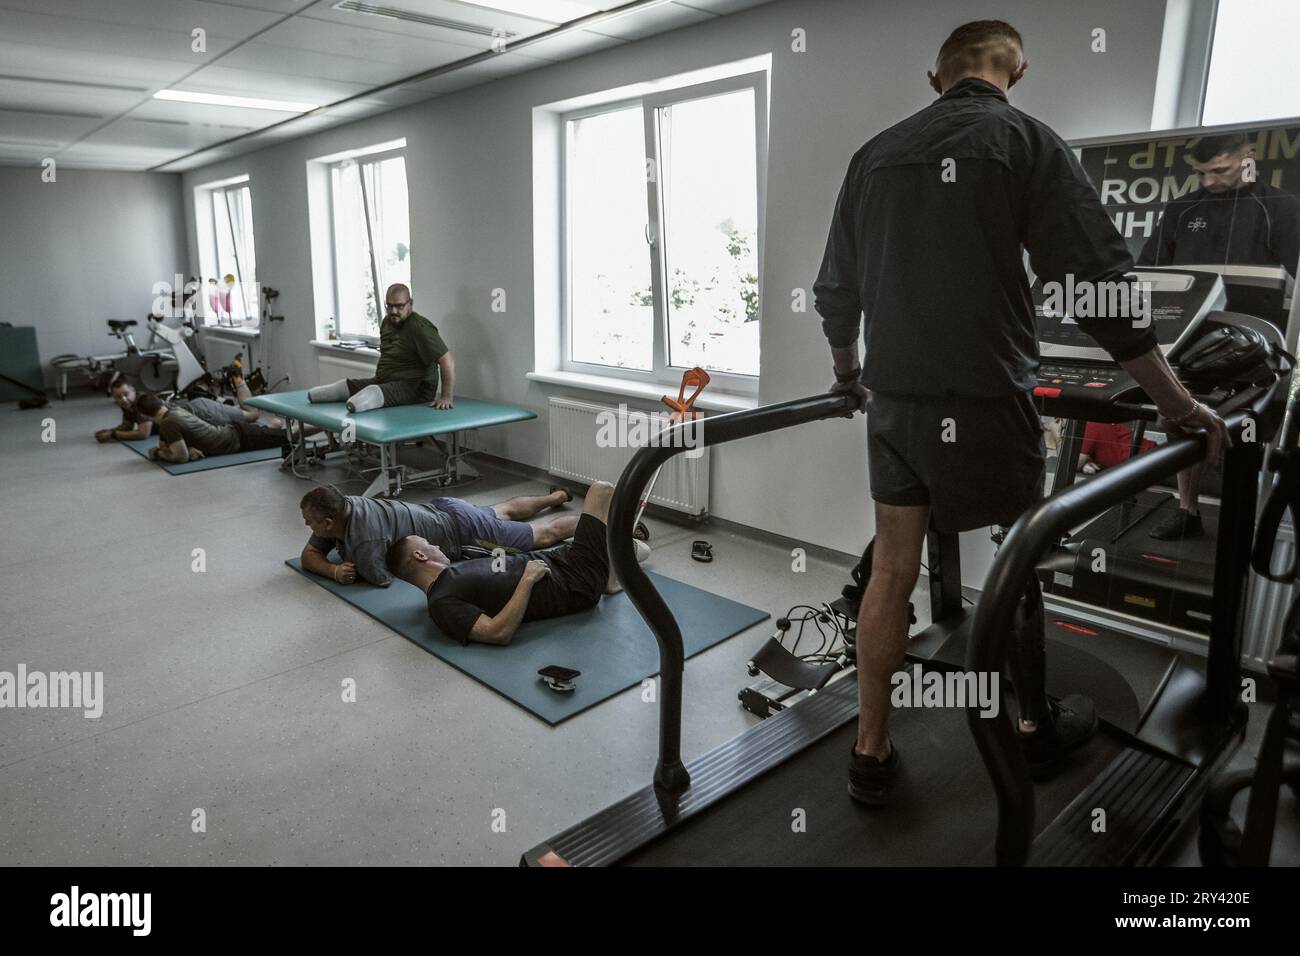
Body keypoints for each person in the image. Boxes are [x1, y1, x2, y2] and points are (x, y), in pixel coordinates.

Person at [812, 19, 1231, 804]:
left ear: (935, 79)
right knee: (1020, 558)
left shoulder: (873, 155)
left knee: (893, 572)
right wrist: (1180, 406)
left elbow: (837, 289)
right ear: (1019, 70)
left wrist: (850, 376)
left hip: (895, 405)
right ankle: (1034, 729)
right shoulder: (1027, 141)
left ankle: (870, 755)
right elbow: (1101, 287)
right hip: (988, 401)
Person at [1138, 133, 1300, 539]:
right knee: (1181, 418)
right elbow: (1150, 272)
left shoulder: (1279, 207)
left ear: (1249, 156)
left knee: (1255, 430)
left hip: (1260, 343)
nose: (1208, 182)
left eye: (1219, 171)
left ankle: (1254, 521)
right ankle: (1187, 510)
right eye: (1201, 173)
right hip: (1193, 339)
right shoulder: (1182, 209)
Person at [386, 481, 650, 646]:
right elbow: (496, 633)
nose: (436, 545)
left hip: (560, 560)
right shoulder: (441, 603)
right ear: (420, 556)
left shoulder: (454, 574)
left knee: (620, 539)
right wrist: (526, 581)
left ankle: (612, 566)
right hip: (574, 581)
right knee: (602, 490)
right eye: (428, 544)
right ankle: (609, 576)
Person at [299, 485, 580, 588]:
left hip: (463, 533)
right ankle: (557, 495)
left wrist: (345, 568)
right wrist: (334, 570)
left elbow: (381, 577)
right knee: (502, 510)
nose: (306, 525)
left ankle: (610, 522)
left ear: (327, 523)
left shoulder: (364, 539)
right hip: (446, 507)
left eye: (310, 522)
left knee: (545, 535)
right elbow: (308, 556)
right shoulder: (344, 505)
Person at [307, 284, 455, 413]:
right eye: (389, 306)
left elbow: (446, 360)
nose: (393, 311)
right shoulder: (387, 322)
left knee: (361, 400)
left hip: (416, 386)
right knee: (323, 393)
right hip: (386, 380)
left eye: (399, 306)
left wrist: (446, 397)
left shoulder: (420, 327)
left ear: (410, 303)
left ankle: (346, 435)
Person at [94, 376, 281, 443]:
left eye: (126, 394)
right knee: (247, 419)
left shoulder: (141, 405)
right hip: (198, 409)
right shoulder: (129, 405)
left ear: (134, 391)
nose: (123, 399)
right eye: (118, 397)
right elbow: (127, 425)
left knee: (254, 415)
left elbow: (143, 433)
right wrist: (112, 431)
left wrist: (114, 435)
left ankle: (239, 380)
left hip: (203, 412)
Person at [135, 390, 289, 462]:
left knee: (290, 434)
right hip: (233, 431)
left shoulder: (168, 423)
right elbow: (165, 445)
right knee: (268, 427)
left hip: (238, 436)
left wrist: (160, 454)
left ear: (145, 416)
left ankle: (238, 379)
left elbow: (181, 457)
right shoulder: (170, 411)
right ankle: (271, 426)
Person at [1077, 420, 1155, 475]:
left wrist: (1083, 464)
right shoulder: (1086, 425)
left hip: (1152, 459)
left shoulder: (1089, 424)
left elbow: (1074, 462)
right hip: (1139, 464)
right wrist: (1085, 463)